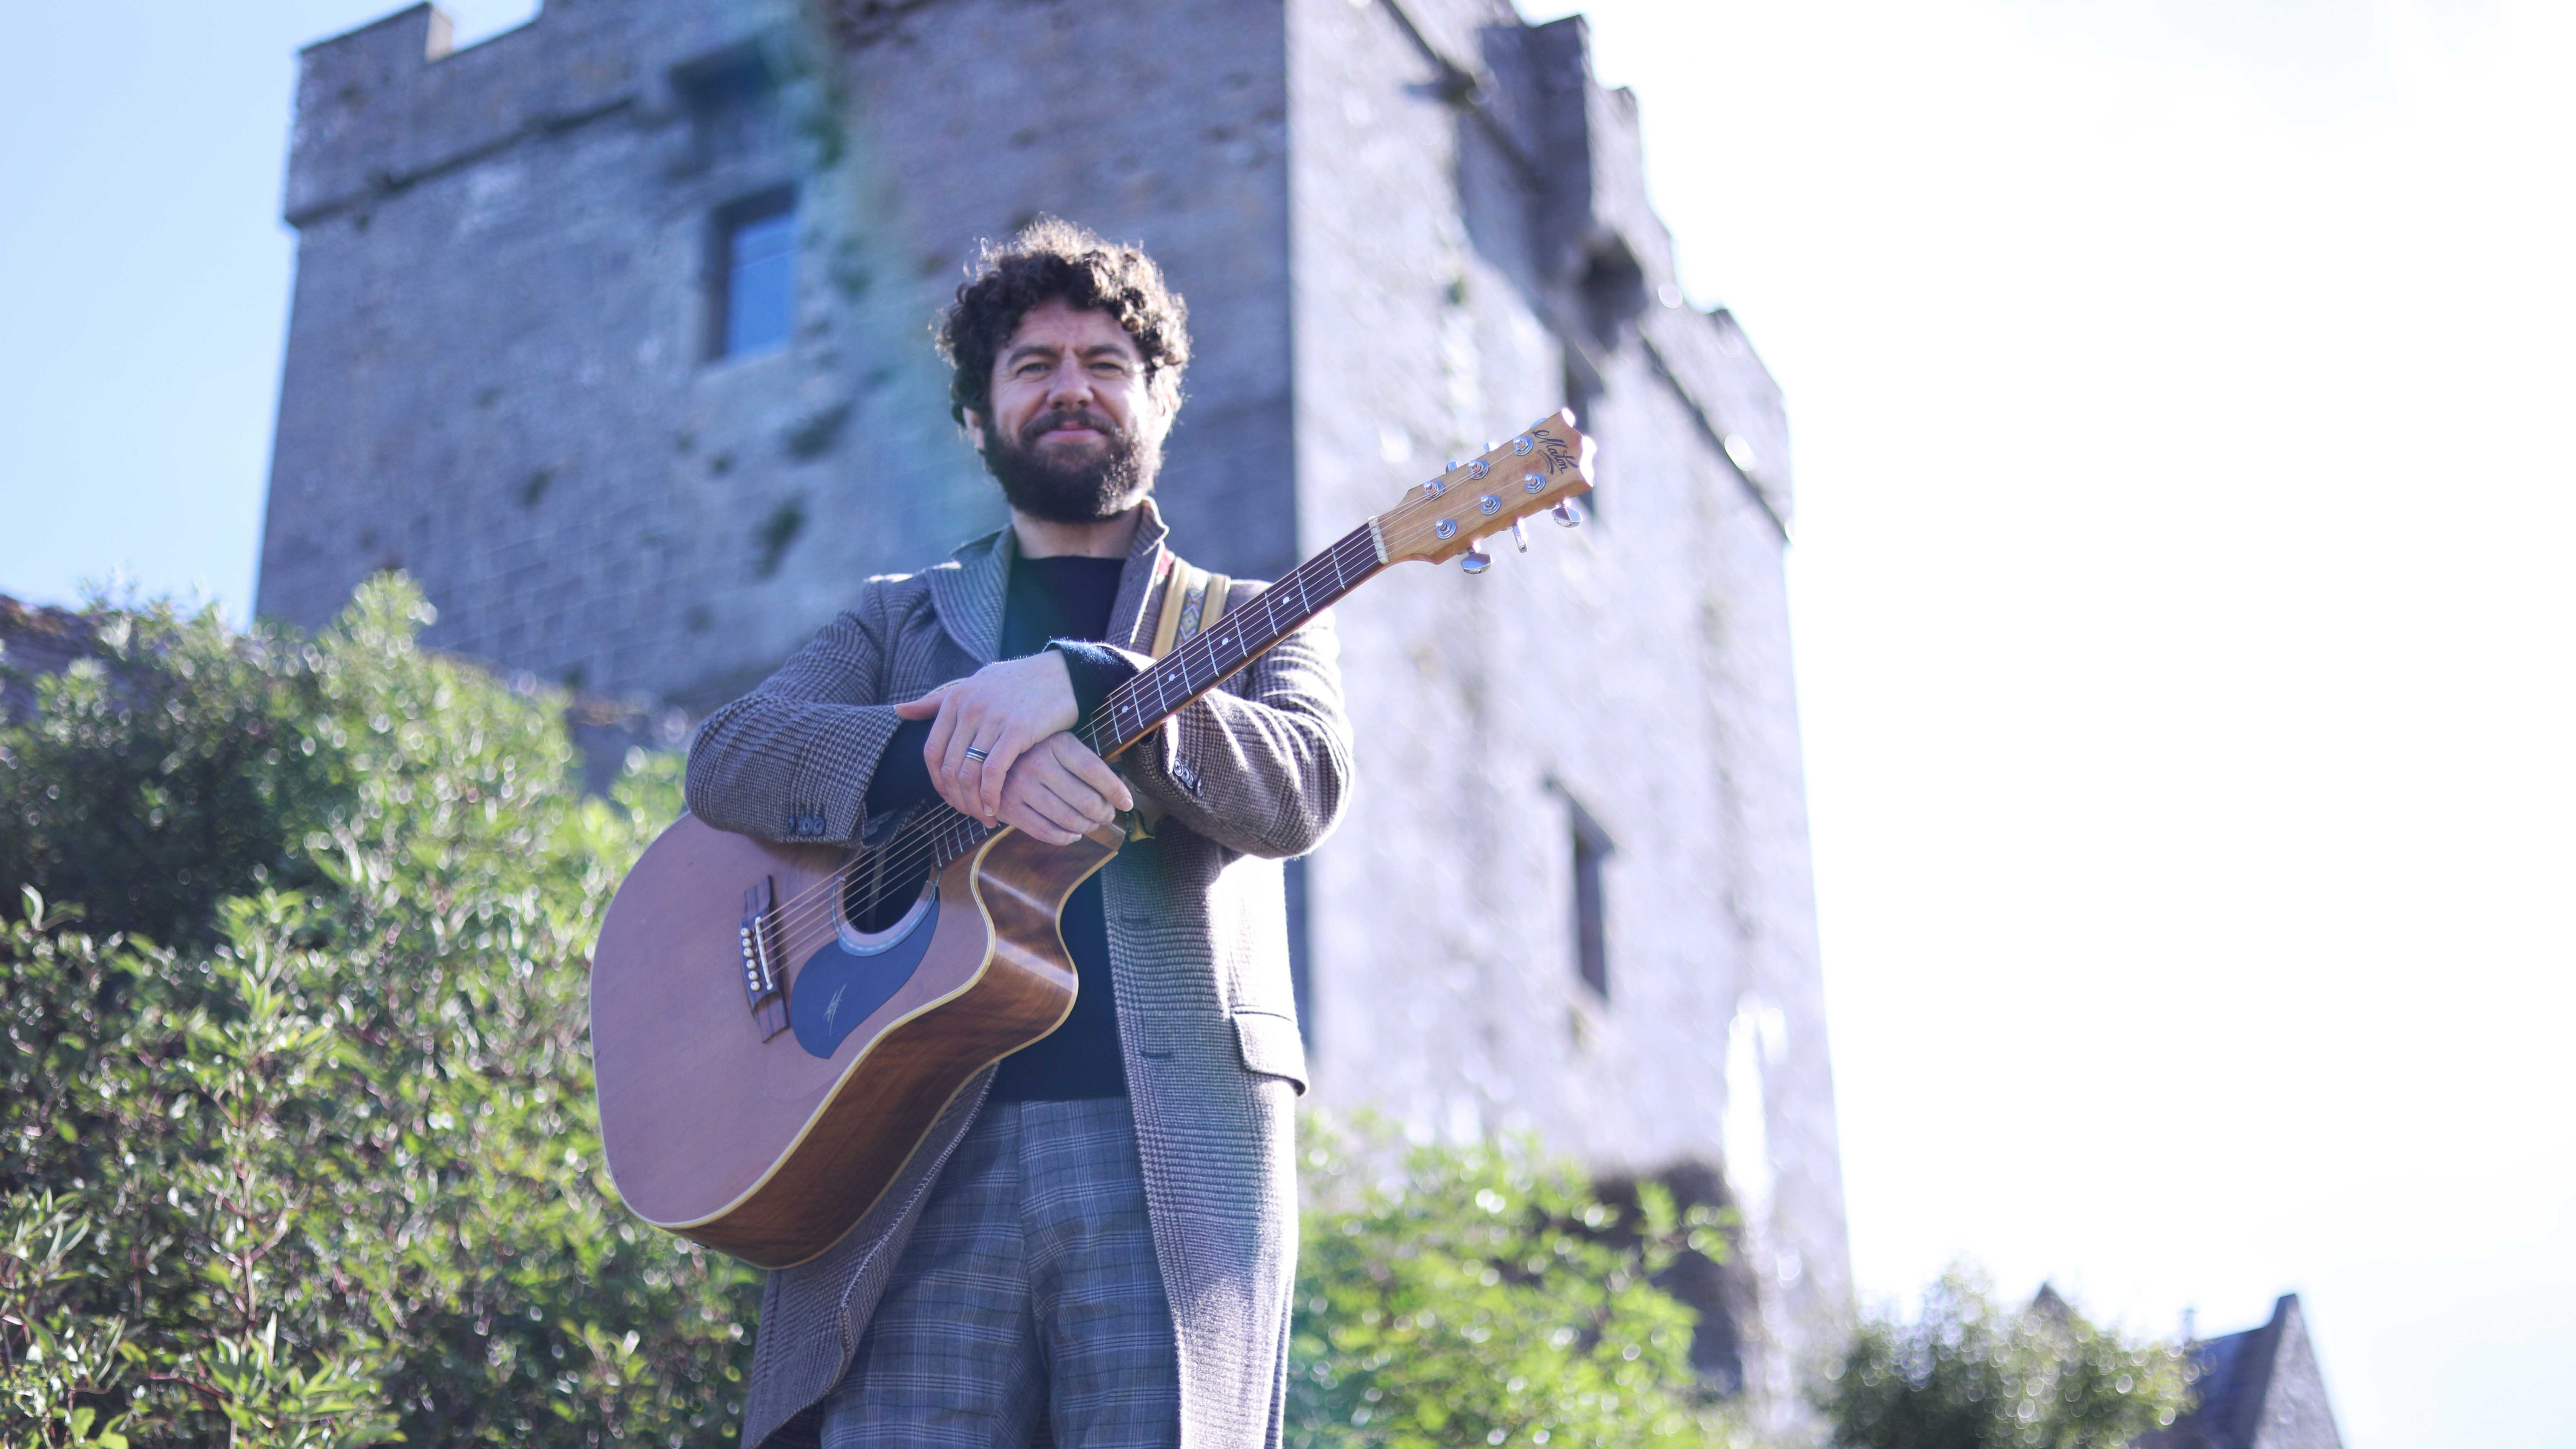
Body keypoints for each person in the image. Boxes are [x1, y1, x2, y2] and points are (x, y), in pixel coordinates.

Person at [683, 217, 1350, 1449]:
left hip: (1168, 1165)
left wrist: (1098, 684)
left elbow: (1305, 783)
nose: (1070, 387)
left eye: (1106, 363)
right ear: (975, 415)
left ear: (1160, 401)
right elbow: (730, 754)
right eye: (1033, 364)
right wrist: (942, 759)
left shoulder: (1250, 618)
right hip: (913, 1154)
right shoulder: (898, 621)